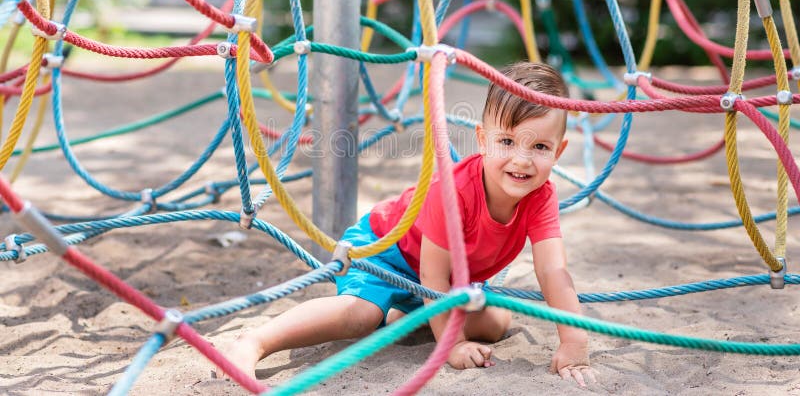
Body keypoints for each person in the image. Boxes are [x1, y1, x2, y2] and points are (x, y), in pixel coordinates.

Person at [217, 62, 594, 386]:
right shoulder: (454, 191)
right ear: (483, 139)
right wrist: (454, 345)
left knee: (496, 322)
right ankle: (255, 342)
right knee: (359, 317)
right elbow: (433, 276)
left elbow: (553, 271)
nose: (522, 161)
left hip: (443, 276)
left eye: (540, 147)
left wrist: (574, 342)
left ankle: (401, 312)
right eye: (508, 141)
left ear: (558, 151)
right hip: (387, 251)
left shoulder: (540, 197)